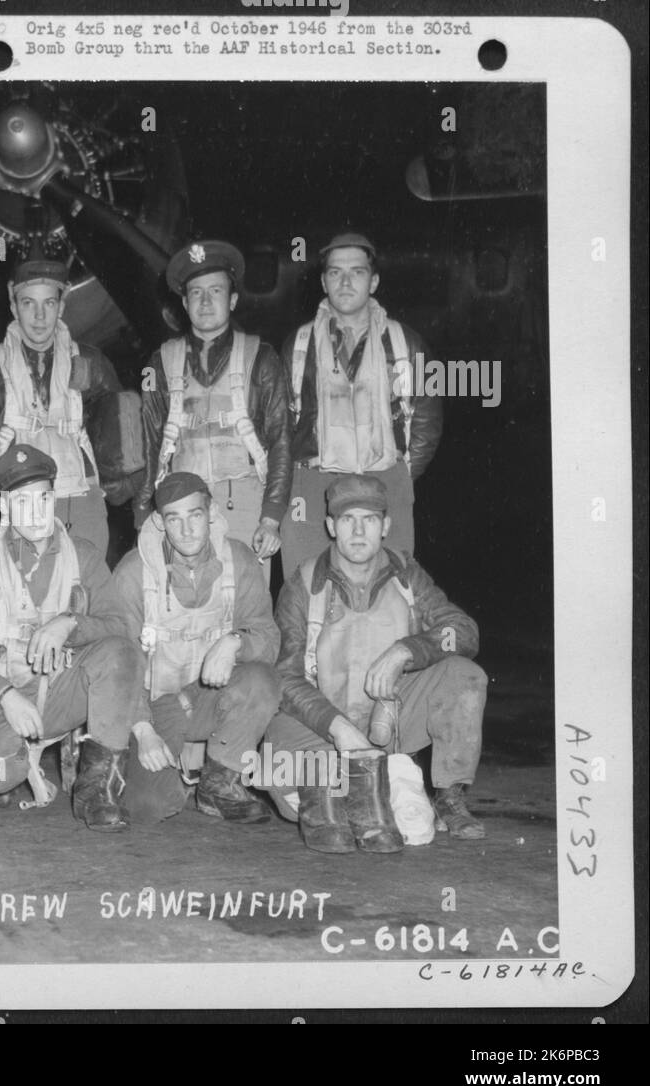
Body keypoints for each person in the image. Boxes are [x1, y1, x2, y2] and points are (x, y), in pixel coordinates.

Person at [266, 474, 487, 854]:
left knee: (465, 675)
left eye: (368, 519)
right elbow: (285, 678)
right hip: (323, 725)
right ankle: (383, 781)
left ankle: (448, 796)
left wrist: (409, 648)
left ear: (385, 526)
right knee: (293, 793)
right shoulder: (303, 583)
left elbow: (462, 631)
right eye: (347, 519)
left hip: (391, 720)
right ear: (331, 526)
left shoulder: (406, 574)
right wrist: (337, 728)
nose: (357, 530)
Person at [0, 444, 144, 832]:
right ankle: (17, 763)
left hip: (64, 689)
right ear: (1, 505)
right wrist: (6, 695)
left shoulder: (83, 556)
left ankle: (97, 790)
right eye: (21, 500)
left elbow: (119, 626)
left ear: (56, 498)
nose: (35, 511)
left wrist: (69, 622)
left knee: (121, 653)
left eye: (44, 497)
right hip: (1, 696)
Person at [113, 471, 282, 824]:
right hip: (155, 707)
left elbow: (268, 637)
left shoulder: (239, 560)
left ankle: (219, 785)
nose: (187, 530)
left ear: (211, 512)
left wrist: (235, 641)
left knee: (261, 680)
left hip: (211, 698)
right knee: (147, 807)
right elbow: (120, 664)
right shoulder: (133, 572)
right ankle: (150, 771)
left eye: (195, 515)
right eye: (174, 519)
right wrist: (142, 731)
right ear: (160, 522)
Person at [279, 232, 442, 575]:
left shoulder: (405, 343)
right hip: (313, 482)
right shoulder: (298, 344)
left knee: (390, 590)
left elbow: (427, 416)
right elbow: (281, 423)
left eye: (357, 271)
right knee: (307, 589)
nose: (346, 281)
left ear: (374, 280)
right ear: (323, 281)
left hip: (385, 478)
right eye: (336, 272)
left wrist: (401, 477)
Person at [136, 241, 292, 580]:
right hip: (181, 506)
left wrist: (270, 517)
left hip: (245, 503)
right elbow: (149, 444)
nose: (205, 301)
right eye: (196, 293)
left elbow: (280, 438)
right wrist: (142, 515)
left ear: (233, 299)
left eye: (216, 290)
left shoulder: (261, 358)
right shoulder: (160, 363)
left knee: (246, 614)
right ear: (184, 302)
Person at [0, 256, 122, 559]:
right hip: (13, 500)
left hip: (78, 496)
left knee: (84, 594)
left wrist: (120, 492)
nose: (38, 316)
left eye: (48, 304)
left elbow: (119, 428)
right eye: (27, 303)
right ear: (13, 306)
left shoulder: (91, 362)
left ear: (61, 307)